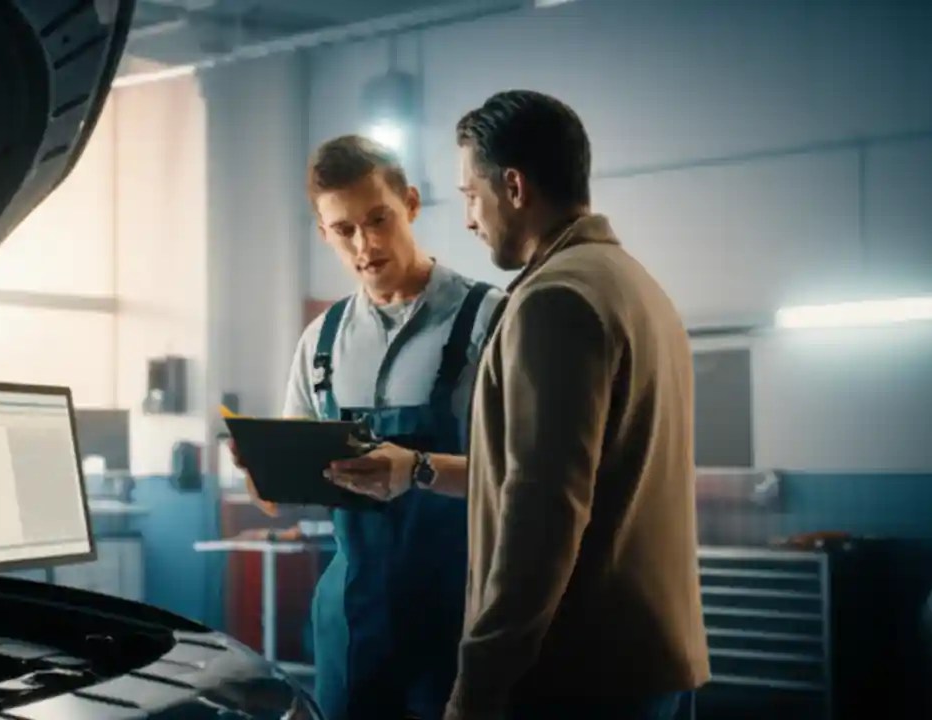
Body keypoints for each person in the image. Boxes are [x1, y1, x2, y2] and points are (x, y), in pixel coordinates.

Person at [439, 90, 709, 719]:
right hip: (647, 665)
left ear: (513, 186)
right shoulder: (637, 287)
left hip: (579, 675)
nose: (468, 220)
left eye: (468, 197)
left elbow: (543, 513)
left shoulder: (554, 300)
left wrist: (478, 682)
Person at [233, 134, 506, 720]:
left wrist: (417, 470)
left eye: (378, 219)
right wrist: (266, 473)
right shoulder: (320, 342)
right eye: (343, 230)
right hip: (353, 622)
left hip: (462, 618)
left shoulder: (492, 319)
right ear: (323, 233)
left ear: (410, 203)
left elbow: (525, 479)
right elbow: (282, 502)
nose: (364, 244)